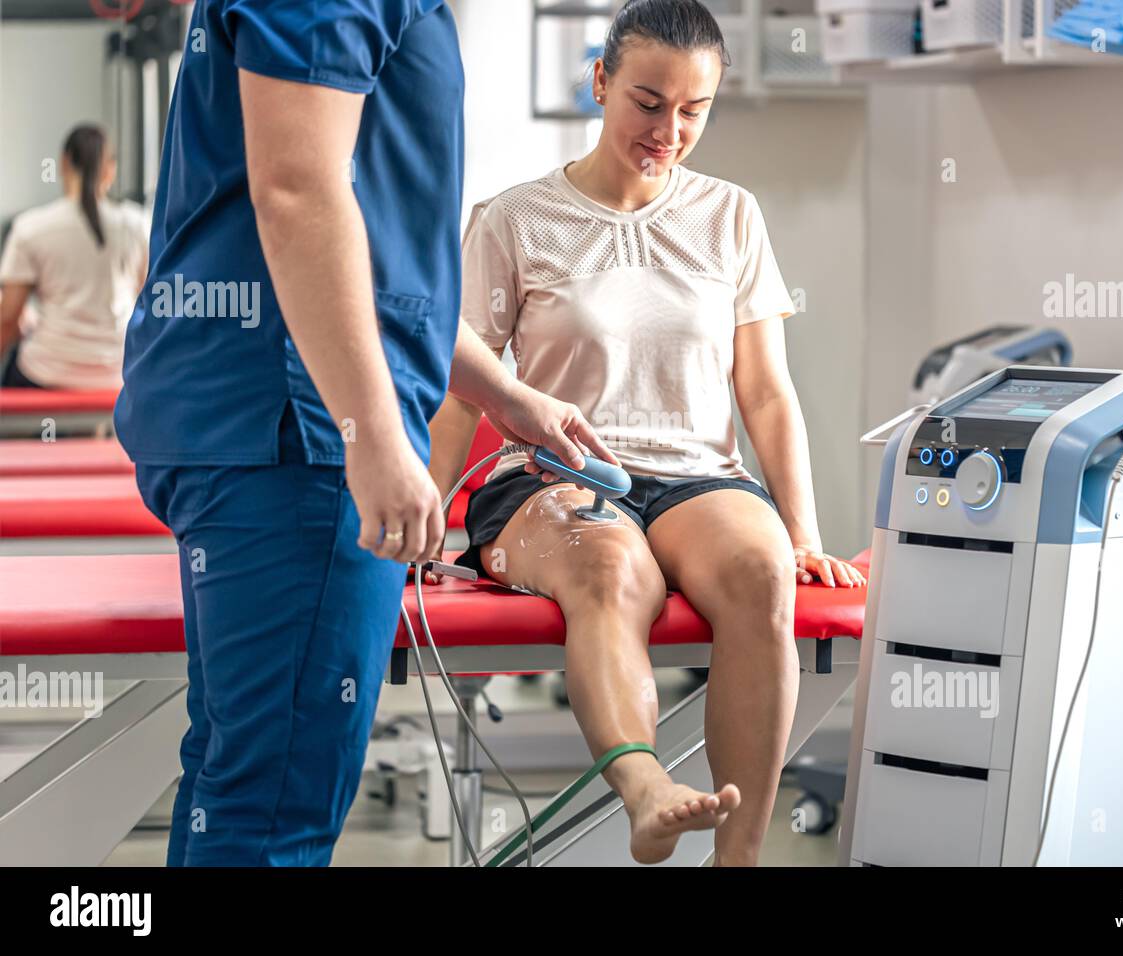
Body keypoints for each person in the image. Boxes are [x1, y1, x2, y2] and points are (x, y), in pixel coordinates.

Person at [113, 0, 612, 866]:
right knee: (275, 807)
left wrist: (503, 395)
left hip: (269, 417)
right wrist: (371, 432)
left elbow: (372, 256)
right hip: (294, 432)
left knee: (241, 781)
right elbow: (299, 190)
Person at [427, 0, 865, 867]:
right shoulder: (514, 219)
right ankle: (647, 790)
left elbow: (767, 394)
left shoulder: (730, 215)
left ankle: (737, 858)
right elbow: (461, 391)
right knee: (608, 569)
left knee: (759, 571)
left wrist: (804, 531)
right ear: (600, 82)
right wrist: (429, 515)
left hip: (699, 475)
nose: (669, 129)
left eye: (694, 110)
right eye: (648, 101)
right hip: (554, 475)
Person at [0, 125, 148, 390]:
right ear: (110, 170)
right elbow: (149, 301)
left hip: (47, 373)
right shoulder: (137, 225)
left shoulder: (30, 227)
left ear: (64, 163)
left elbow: (8, 320)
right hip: (119, 374)